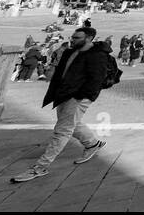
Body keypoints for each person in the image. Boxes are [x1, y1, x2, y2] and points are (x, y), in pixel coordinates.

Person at [11, 26, 110, 182]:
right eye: (73, 37)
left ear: (89, 38)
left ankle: (40, 167)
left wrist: (81, 96)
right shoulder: (70, 52)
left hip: (77, 97)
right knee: (71, 123)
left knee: (62, 130)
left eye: (77, 38)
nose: (72, 39)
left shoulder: (97, 56)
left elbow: (96, 80)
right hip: (63, 94)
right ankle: (92, 144)